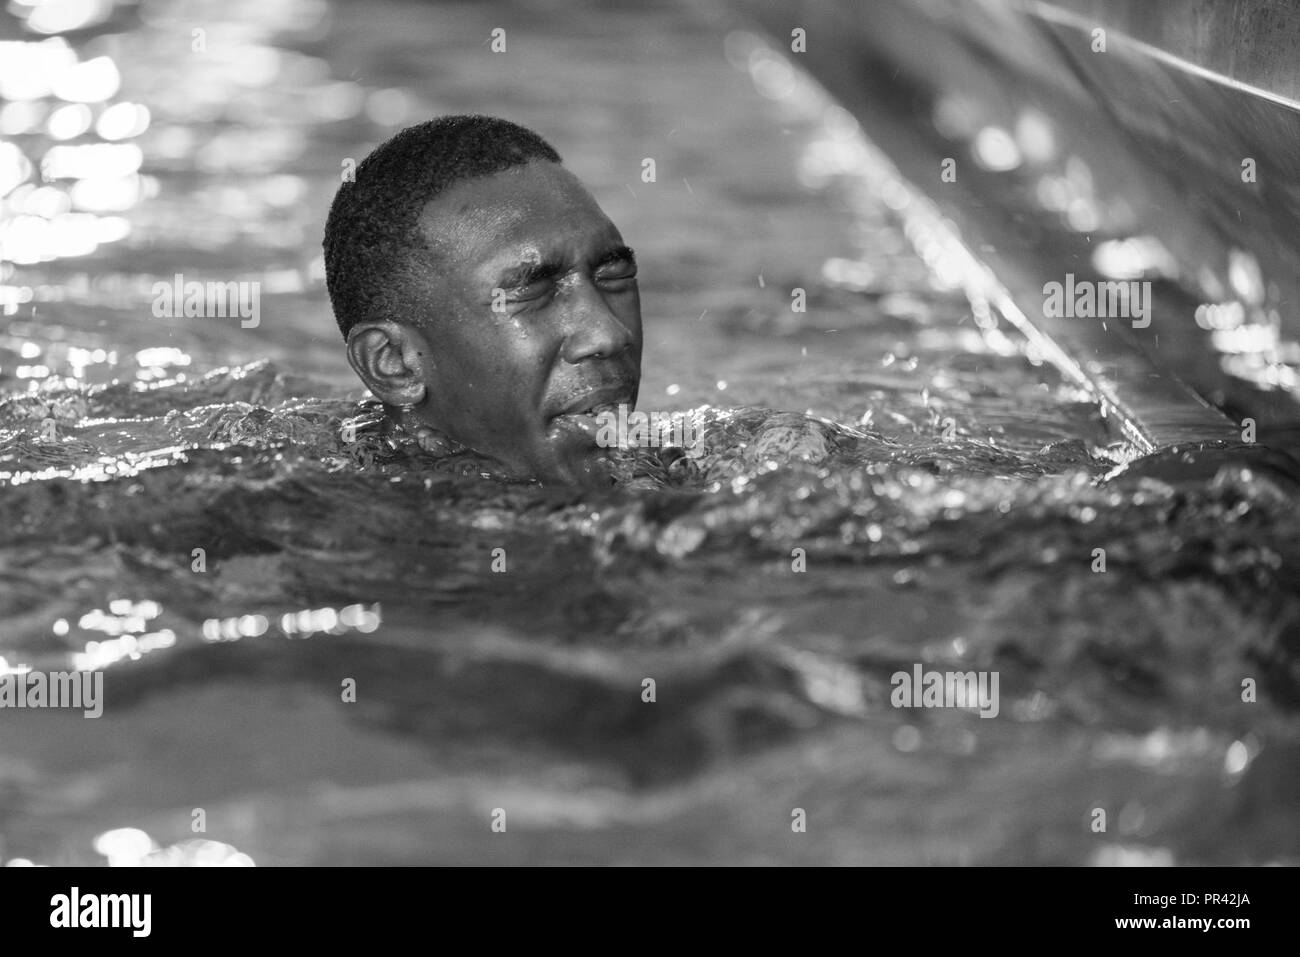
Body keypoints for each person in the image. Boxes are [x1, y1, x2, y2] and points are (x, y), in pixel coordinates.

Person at [324, 114, 646, 487]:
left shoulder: (693, 465)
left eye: (613, 278)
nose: (609, 333)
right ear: (395, 364)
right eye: (533, 293)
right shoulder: (310, 514)